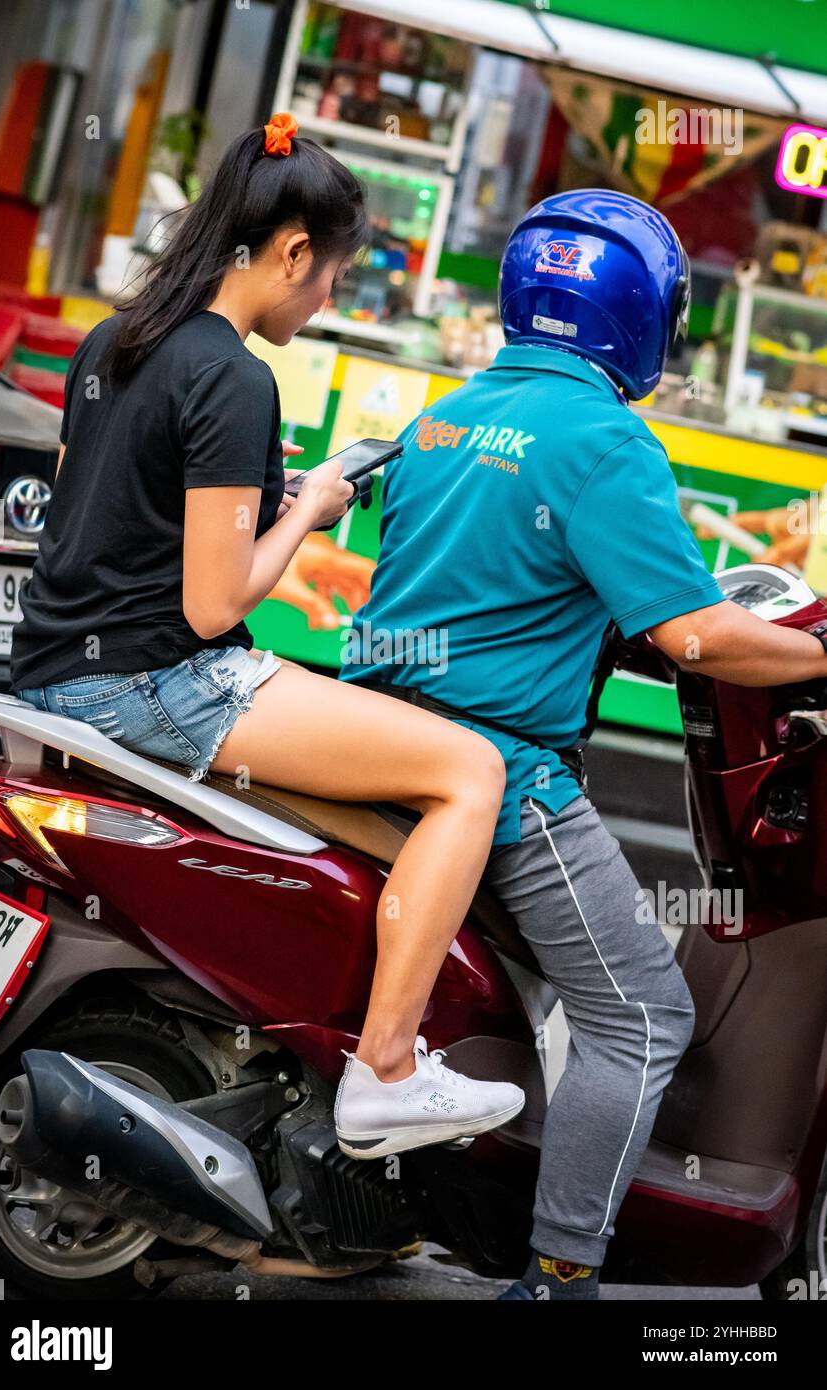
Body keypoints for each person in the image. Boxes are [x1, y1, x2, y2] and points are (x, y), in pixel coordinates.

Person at [340, 188, 827, 1299]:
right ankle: (560, 1275)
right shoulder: (607, 442)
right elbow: (699, 634)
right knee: (644, 1015)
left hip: (377, 743)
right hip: (503, 774)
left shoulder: (445, 414)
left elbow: (499, 583)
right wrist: (813, 656)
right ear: (642, 317)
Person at [9, 113, 525, 1162]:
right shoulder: (237, 379)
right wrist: (310, 509)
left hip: (54, 669)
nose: (328, 296)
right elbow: (211, 607)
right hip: (160, 680)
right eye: (332, 273)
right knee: (471, 772)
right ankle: (385, 1072)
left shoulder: (113, 341)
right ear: (291, 253)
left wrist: (262, 503)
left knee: (385, 816)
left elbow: (90, 516)